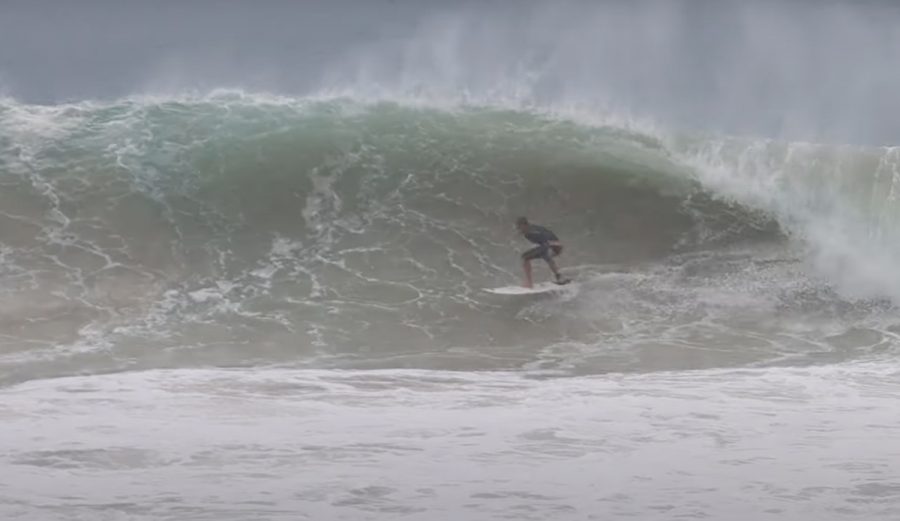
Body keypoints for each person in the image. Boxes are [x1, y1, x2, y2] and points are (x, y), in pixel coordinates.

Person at [515, 217, 570, 288]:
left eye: (519, 227)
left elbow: (548, 238)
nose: (518, 229)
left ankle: (529, 283)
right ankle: (559, 277)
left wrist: (552, 249)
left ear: (524, 225)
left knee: (527, 257)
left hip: (554, 245)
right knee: (538, 254)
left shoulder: (532, 232)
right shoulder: (529, 231)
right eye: (518, 227)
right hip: (551, 245)